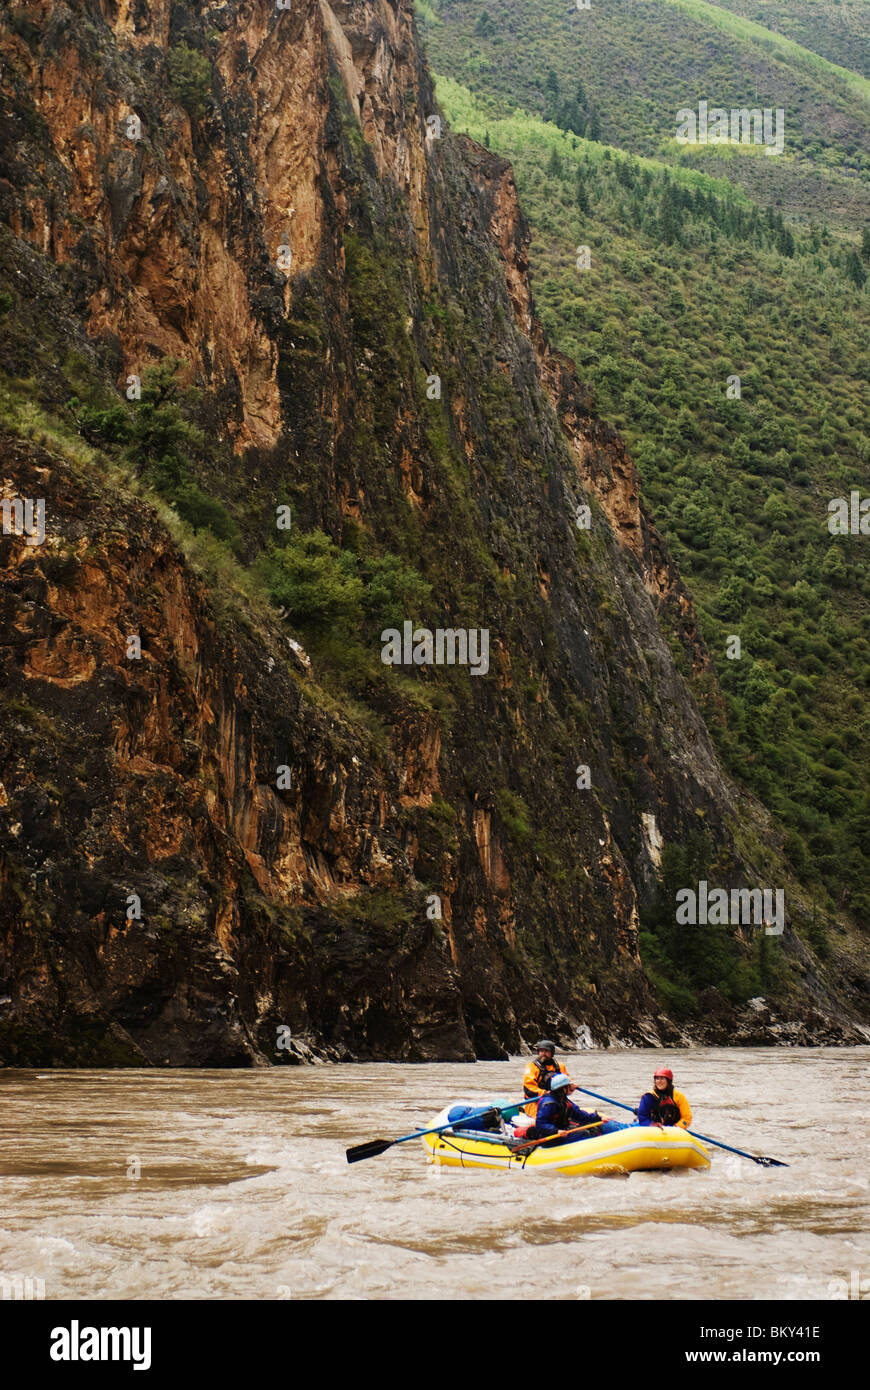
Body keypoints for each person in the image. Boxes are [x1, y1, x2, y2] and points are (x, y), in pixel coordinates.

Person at [527, 1073, 602, 1141]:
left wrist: (597, 1117)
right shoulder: (549, 1104)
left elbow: (579, 1114)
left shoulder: (563, 1100)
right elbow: (541, 1124)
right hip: (551, 1135)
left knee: (589, 1130)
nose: (569, 1089)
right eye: (568, 1087)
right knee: (583, 1135)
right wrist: (556, 1131)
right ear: (563, 1088)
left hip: (562, 1129)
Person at [522, 1039, 569, 1116]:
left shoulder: (560, 1066)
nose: (543, 1054)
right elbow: (529, 1089)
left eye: (546, 1051)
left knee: (570, 1111)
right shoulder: (531, 1067)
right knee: (543, 1117)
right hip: (536, 1102)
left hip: (558, 1100)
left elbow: (566, 1083)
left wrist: (571, 1086)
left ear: (552, 1053)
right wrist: (544, 1093)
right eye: (541, 1051)